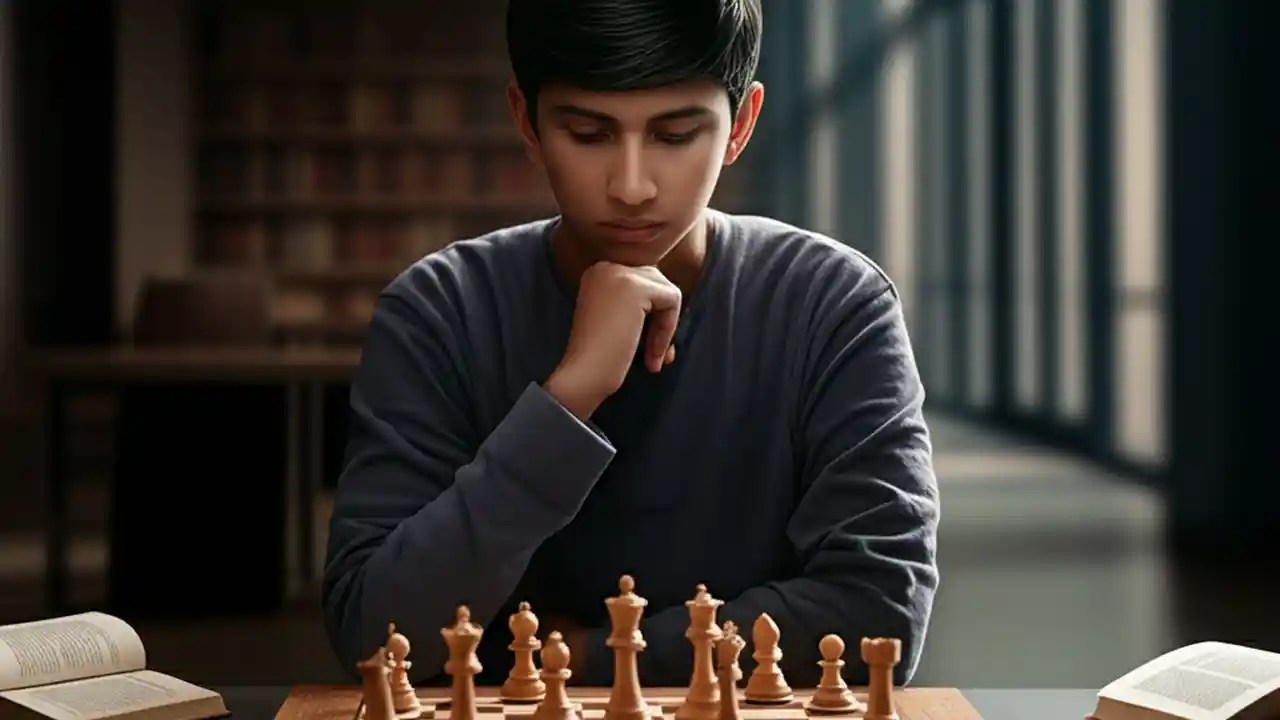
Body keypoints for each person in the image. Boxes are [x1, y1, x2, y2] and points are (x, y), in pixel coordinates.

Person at [321, 0, 940, 691]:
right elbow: (373, 636)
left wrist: (589, 658)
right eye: (588, 134)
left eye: (676, 136)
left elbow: (880, 615)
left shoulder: (834, 304)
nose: (632, 187)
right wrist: (565, 400)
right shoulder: (437, 310)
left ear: (740, 125)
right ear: (526, 120)